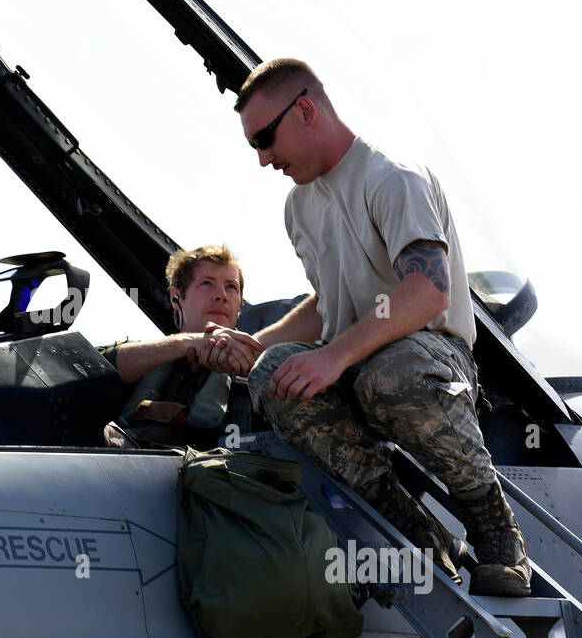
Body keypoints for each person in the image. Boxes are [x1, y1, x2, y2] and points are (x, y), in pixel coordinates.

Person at [208, 58, 530, 596]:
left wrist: (334, 356)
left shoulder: (392, 177)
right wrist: (259, 344)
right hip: (359, 368)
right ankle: (414, 531)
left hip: (430, 364)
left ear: (306, 109)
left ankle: (496, 528)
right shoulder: (299, 206)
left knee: (391, 369)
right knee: (273, 376)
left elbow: (425, 290)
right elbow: (326, 302)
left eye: (266, 138)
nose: (264, 159)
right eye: (254, 146)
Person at [98, 245, 261, 447]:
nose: (221, 295)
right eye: (207, 283)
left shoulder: (260, 369)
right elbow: (91, 368)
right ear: (177, 297)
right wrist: (189, 343)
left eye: (231, 287)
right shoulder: (148, 360)